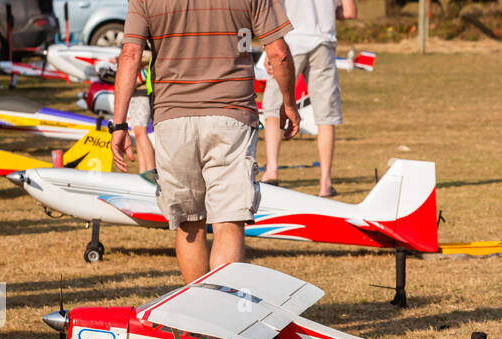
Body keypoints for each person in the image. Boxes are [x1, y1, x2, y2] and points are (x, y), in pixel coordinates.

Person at [112, 0, 300, 285]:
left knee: (189, 223)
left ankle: (197, 319)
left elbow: (130, 54)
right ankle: (221, 318)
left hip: (172, 118)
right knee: (228, 222)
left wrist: (119, 124)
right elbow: (279, 53)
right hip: (232, 116)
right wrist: (289, 104)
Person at [260, 0, 356, 198]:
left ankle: (271, 171)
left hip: (289, 41)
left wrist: (268, 47)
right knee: (326, 115)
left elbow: (273, 9)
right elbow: (350, 12)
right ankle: (325, 183)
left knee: (273, 109)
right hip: (323, 42)